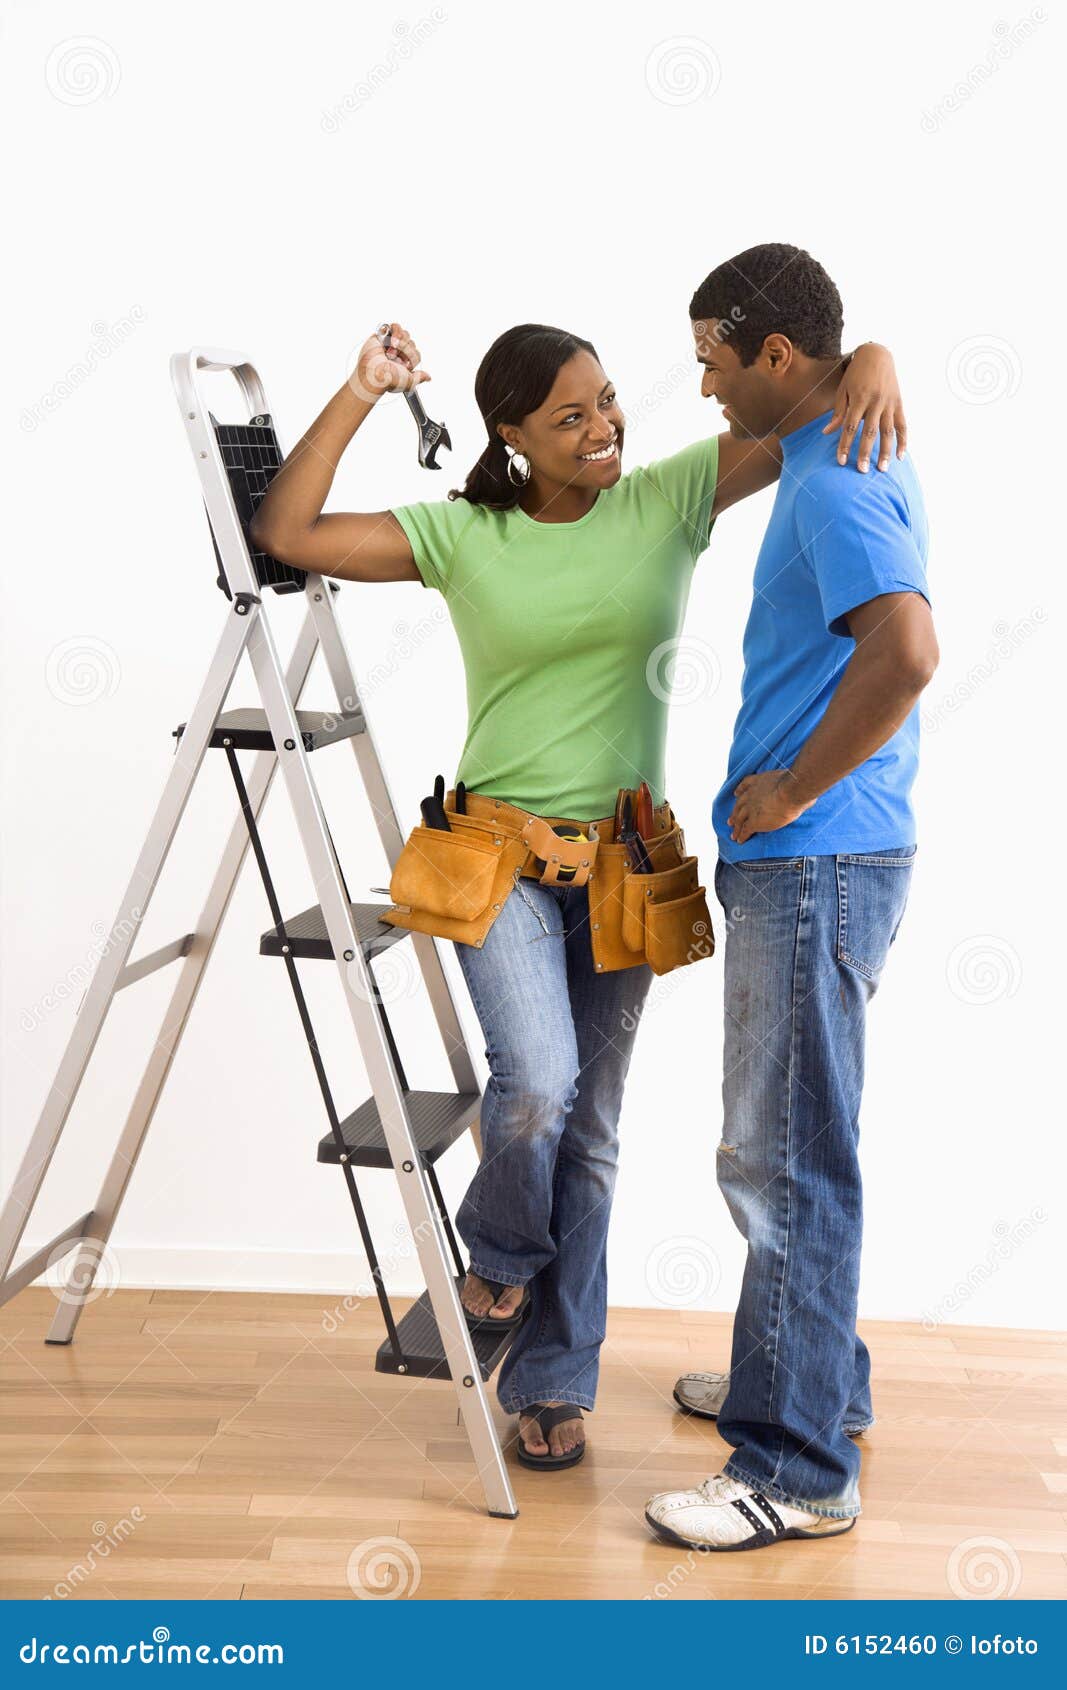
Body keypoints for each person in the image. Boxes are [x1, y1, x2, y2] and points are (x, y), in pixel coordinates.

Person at [249, 317, 904, 1470]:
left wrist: (881, 361)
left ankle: (553, 1376)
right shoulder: (463, 535)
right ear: (511, 435)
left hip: (624, 866)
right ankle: (498, 1260)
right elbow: (286, 529)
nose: (603, 427)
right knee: (538, 1082)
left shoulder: (669, 499)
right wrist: (359, 390)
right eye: (568, 417)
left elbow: (800, 393)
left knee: (590, 1136)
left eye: (605, 401)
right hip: (492, 857)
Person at [645, 244, 937, 1550]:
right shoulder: (830, 439)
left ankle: (794, 1464)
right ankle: (803, 1375)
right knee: (786, 1145)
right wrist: (865, 353)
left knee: (785, 1159)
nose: (700, 378)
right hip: (819, 859)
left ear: (773, 355)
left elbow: (907, 650)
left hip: (815, 860)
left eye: (713, 354)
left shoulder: (831, 482)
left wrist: (793, 790)